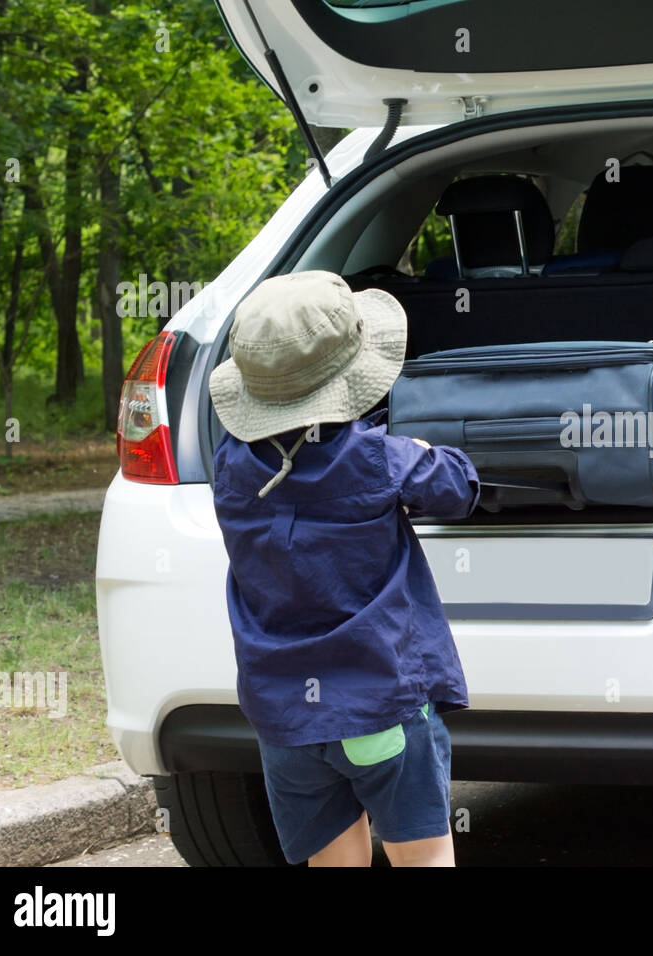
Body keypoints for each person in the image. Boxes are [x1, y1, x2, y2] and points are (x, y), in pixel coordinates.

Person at [207, 270, 479, 866]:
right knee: (426, 858)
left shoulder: (229, 470)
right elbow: (458, 487)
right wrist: (428, 451)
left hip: (285, 724)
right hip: (378, 705)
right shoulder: (380, 459)